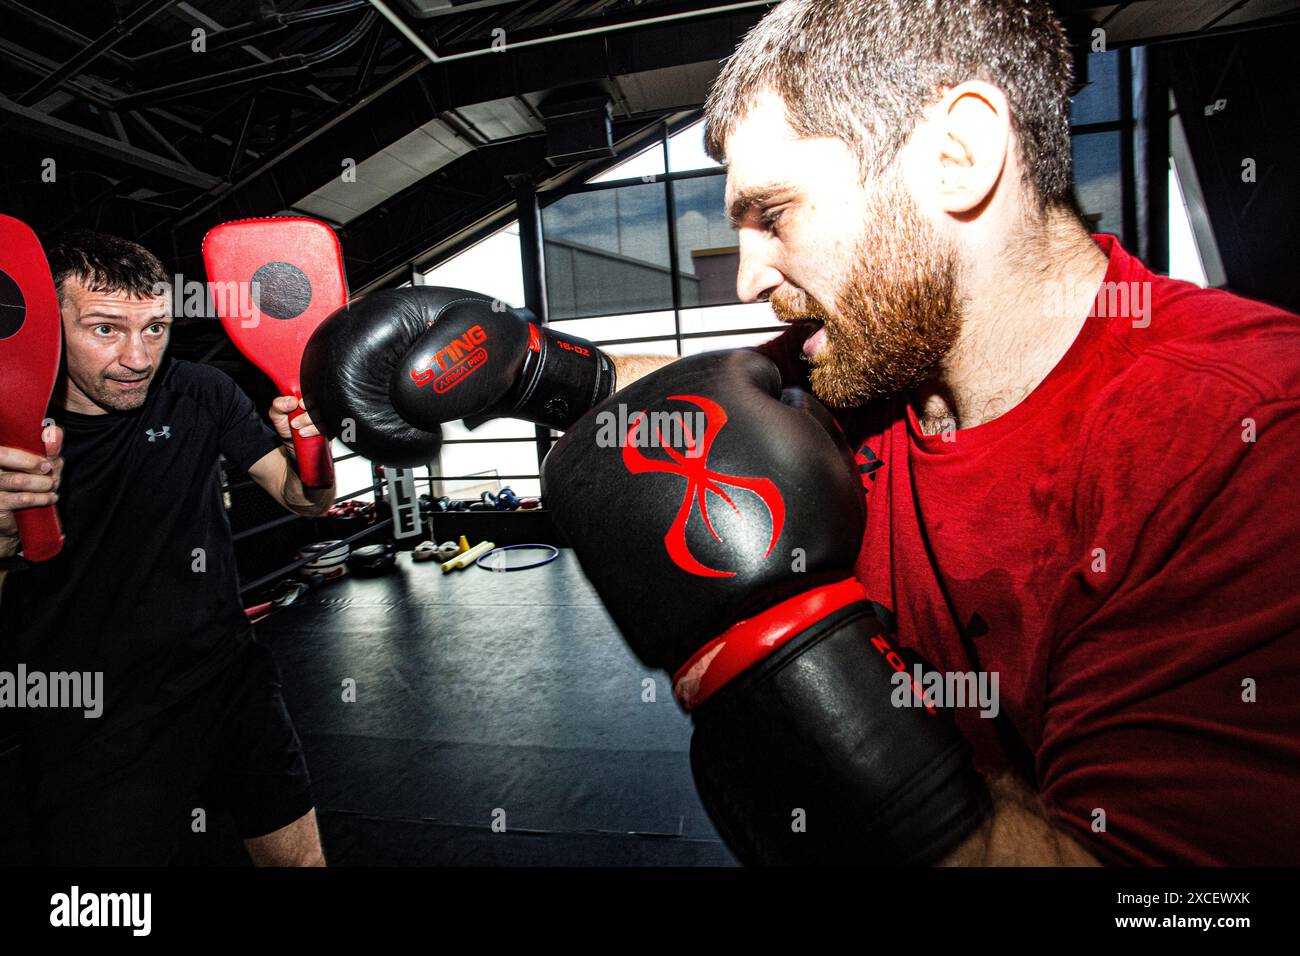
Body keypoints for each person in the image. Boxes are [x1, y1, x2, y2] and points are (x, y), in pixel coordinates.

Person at [0, 230, 336, 865]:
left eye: (155, 329)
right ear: (51, 323)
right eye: (105, 329)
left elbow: (303, 499)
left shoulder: (201, 393)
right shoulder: (10, 436)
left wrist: (313, 451)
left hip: (226, 679)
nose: (137, 356)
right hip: (91, 711)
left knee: (299, 862)